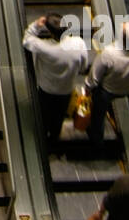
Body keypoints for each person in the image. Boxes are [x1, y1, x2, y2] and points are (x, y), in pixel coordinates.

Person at [23, 13, 89, 148]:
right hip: (66, 89)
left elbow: (27, 39)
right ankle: (54, 138)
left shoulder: (43, 47)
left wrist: (36, 24)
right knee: (59, 115)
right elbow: (83, 66)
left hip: (46, 89)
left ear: (49, 31)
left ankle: (42, 137)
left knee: (44, 113)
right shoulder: (79, 43)